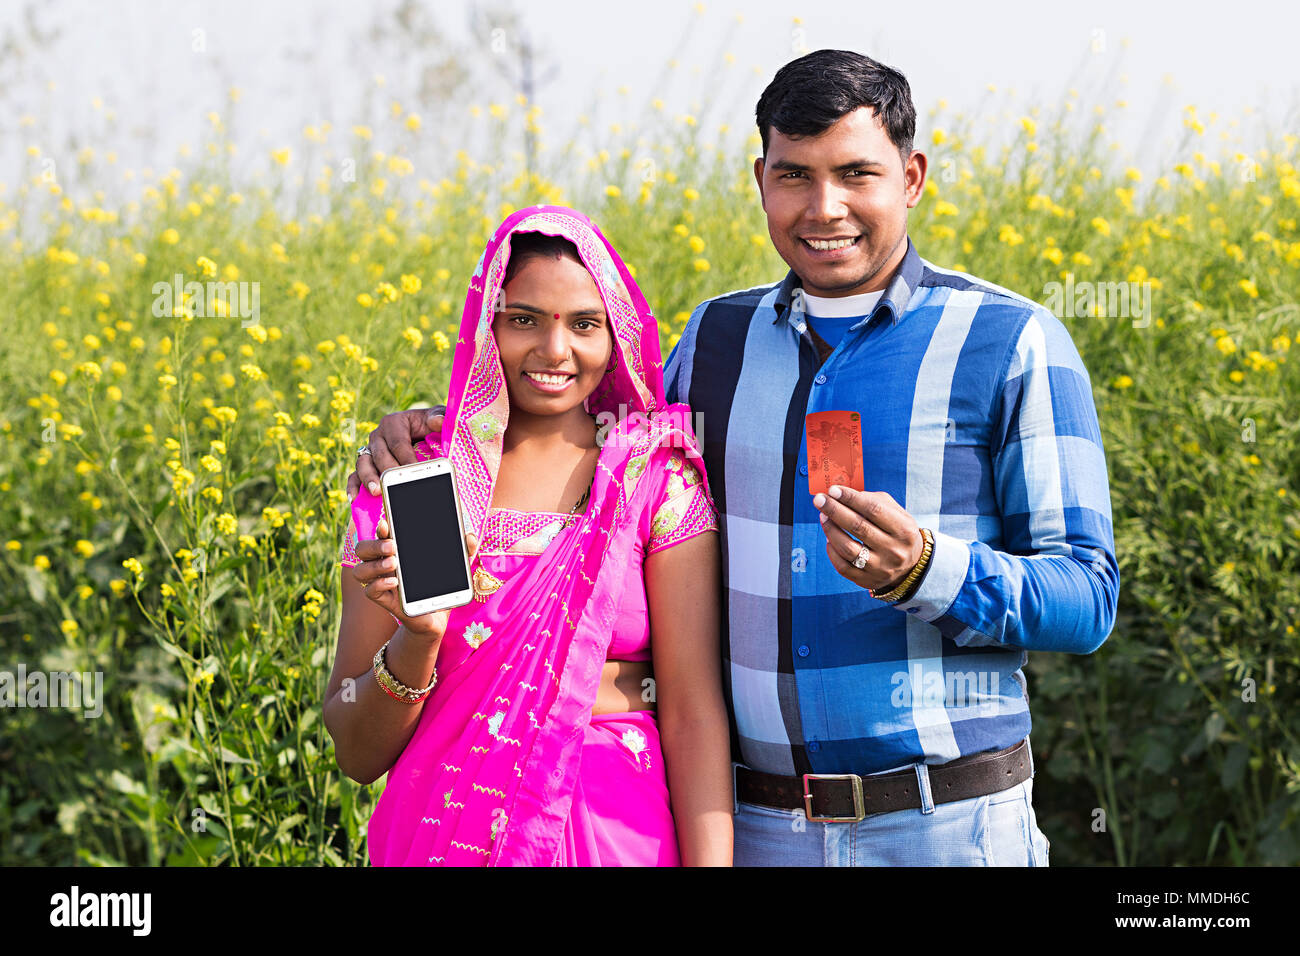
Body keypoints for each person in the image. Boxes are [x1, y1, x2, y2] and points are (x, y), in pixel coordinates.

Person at [350, 50, 1119, 866]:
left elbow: (1088, 597)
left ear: (913, 176)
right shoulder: (716, 343)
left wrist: (928, 569)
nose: (825, 208)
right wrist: (430, 431)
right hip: (764, 829)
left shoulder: (1011, 343)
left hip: (947, 823)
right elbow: (577, 412)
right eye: (795, 176)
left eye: (857, 173)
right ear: (761, 180)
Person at [324, 206, 733, 866]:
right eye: (524, 320)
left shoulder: (651, 475)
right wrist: (419, 638)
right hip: (442, 832)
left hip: (618, 831)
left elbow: (691, 713)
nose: (554, 350)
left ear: (615, 339)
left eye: (583, 324)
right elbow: (356, 751)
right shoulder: (424, 482)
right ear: (487, 325)